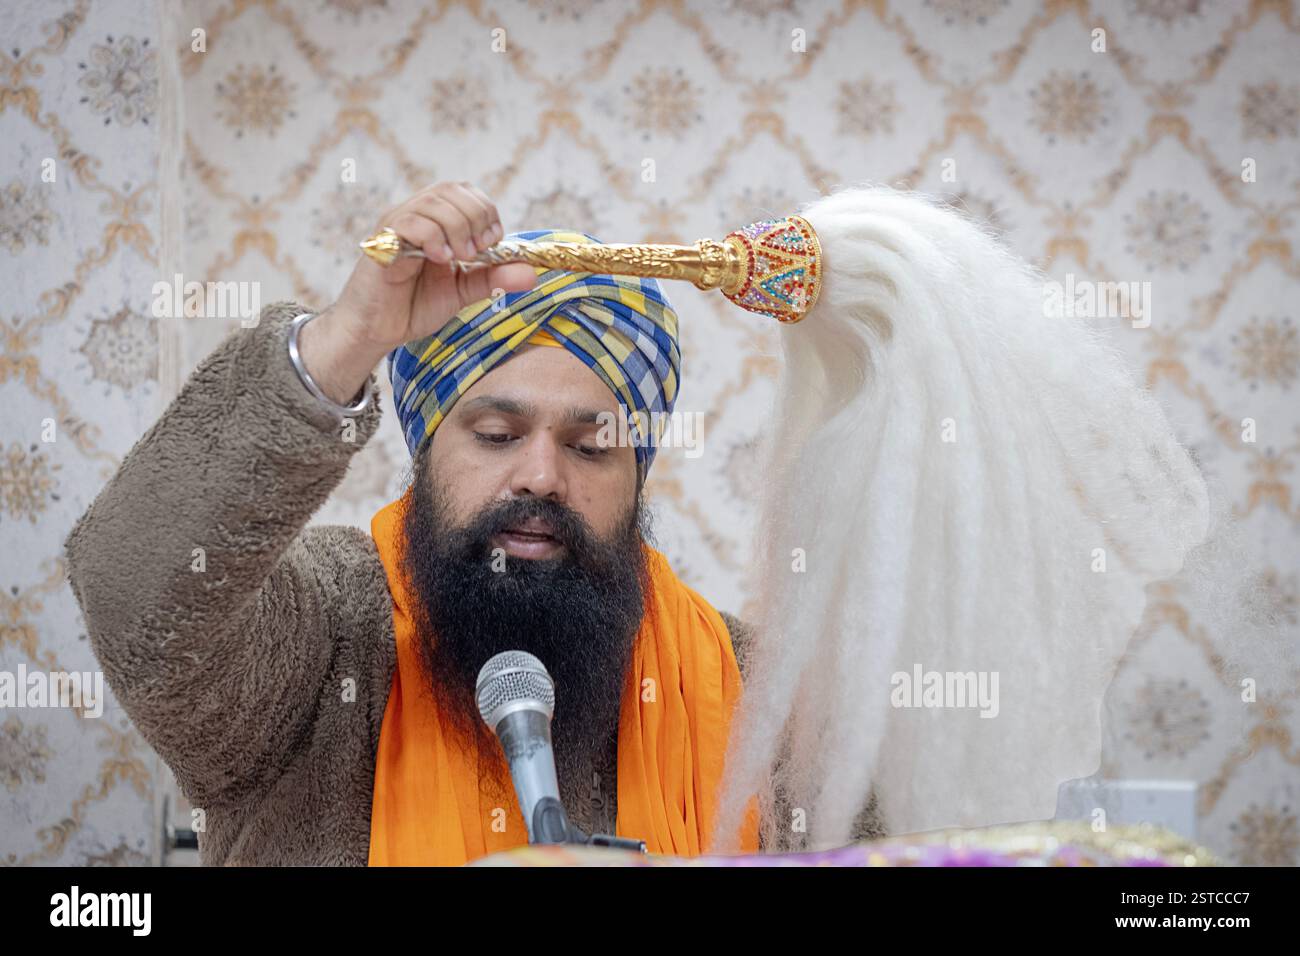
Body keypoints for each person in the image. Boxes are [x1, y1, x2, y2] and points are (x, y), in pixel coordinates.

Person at [66, 181, 881, 865]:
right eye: (495, 435)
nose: (540, 475)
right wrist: (348, 337)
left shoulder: (759, 694)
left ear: (639, 479)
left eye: (593, 446)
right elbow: (132, 589)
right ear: (426, 452)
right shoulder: (324, 636)